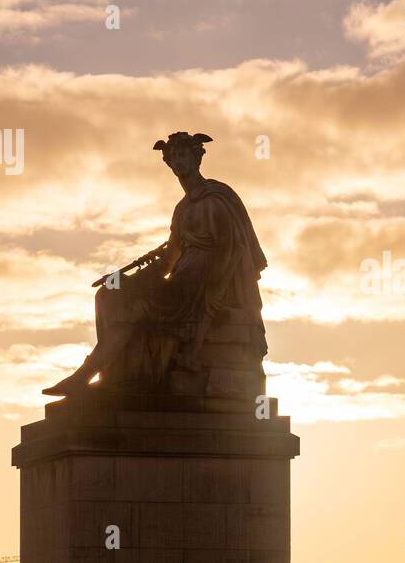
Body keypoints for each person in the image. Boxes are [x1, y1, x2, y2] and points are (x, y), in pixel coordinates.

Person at [42, 132, 267, 396]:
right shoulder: (182, 209)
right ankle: (112, 375)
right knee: (109, 294)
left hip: (199, 288)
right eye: (172, 158)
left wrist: (209, 301)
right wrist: (126, 278)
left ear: (197, 157)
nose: (178, 162)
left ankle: (84, 376)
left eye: (183, 155)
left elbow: (231, 253)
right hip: (181, 282)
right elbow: (169, 258)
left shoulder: (216, 198)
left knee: (132, 305)